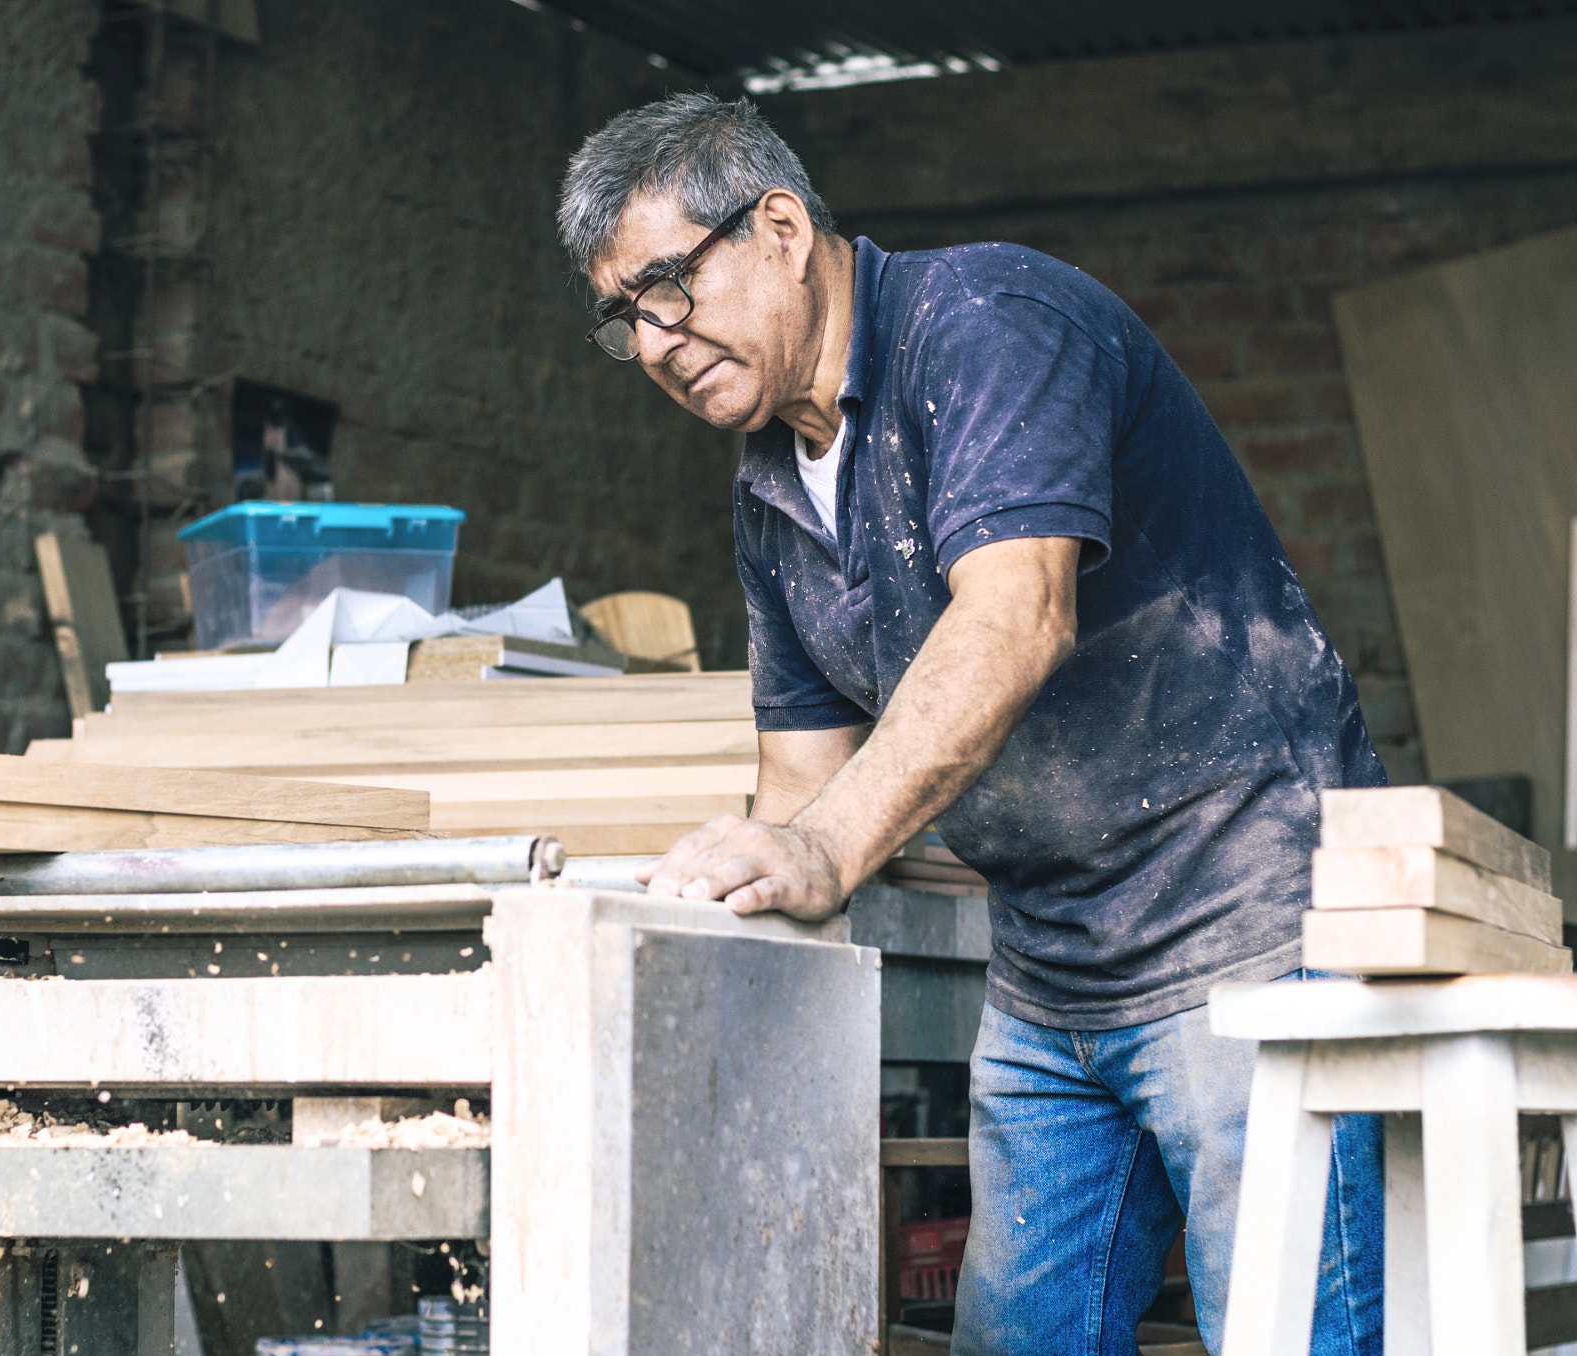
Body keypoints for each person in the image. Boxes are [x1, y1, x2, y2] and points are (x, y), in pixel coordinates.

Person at [556, 93, 1384, 1354]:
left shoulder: (988, 325)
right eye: (624, 315)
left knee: (1288, 1335)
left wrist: (827, 849)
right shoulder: (770, 487)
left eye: (667, 284)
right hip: (1053, 974)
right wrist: (696, 908)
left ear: (778, 228)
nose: (658, 340)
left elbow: (1016, 616)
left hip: (1252, 930)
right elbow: (798, 782)